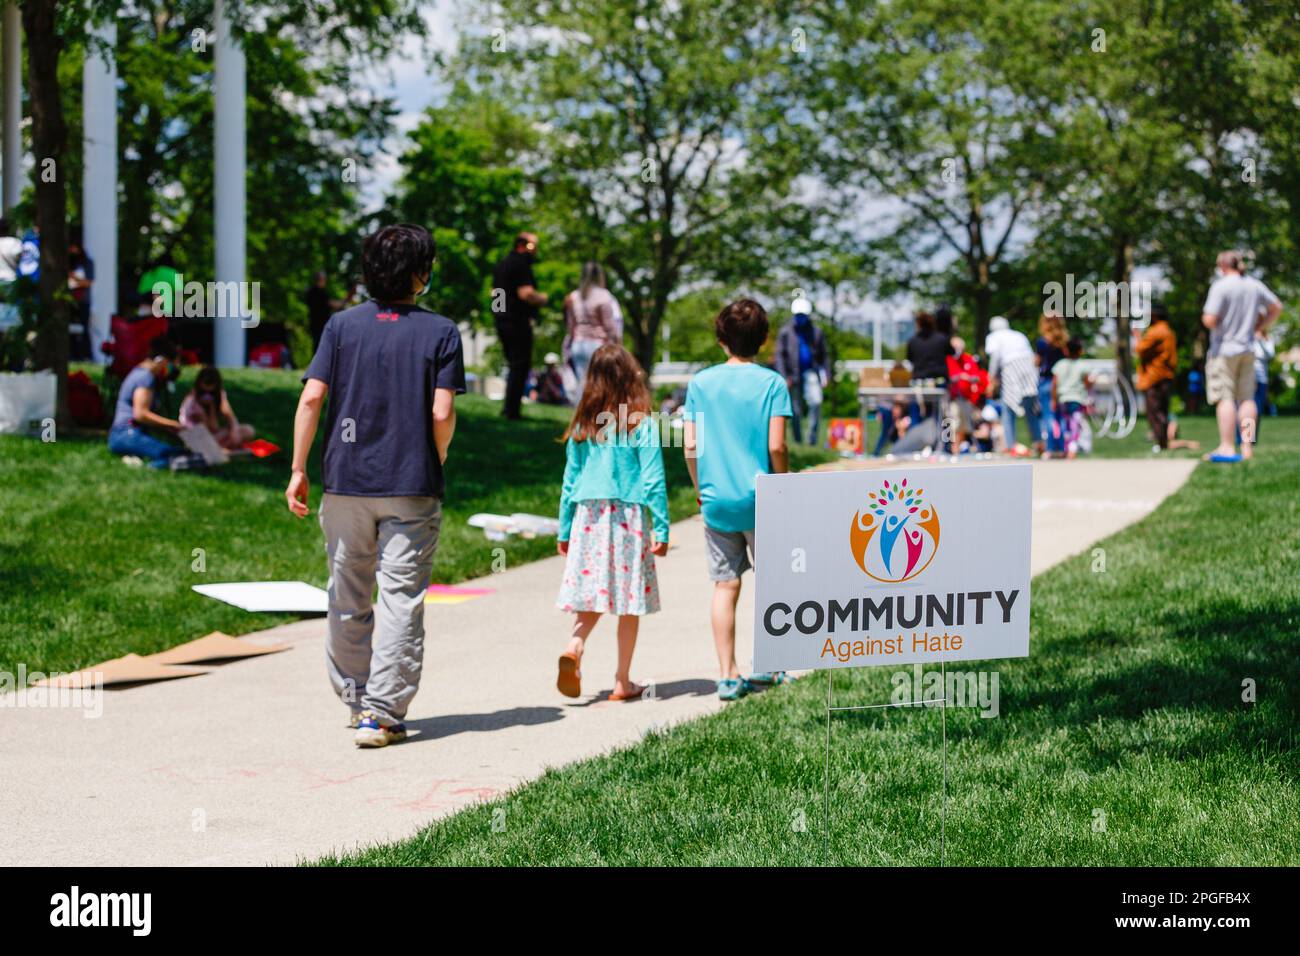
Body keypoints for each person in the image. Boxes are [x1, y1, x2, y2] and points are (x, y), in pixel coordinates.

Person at [286, 223, 465, 748]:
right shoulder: (441, 333)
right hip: (412, 483)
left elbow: (312, 399)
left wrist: (299, 468)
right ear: (420, 274)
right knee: (401, 598)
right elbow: (442, 411)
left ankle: (356, 697)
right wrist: (440, 453)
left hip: (345, 481)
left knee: (347, 593)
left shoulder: (341, 327)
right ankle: (382, 713)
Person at [682, 298, 792, 701]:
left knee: (725, 586)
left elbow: (690, 446)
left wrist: (699, 489)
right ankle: (770, 665)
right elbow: (777, 445)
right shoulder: (772, 384)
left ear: (720, 339)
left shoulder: (699, 384)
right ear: (763, 340)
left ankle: (728, 676)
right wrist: (784, 485)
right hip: (762, 498)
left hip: (716, 500)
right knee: (772, 582)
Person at [554, 344, 669, 702]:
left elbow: (569, 481)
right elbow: (653, 479)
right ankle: (623, 681)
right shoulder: (641, 423)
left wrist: (564, 528)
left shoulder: (583, 426)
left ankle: (575, 643)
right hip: (627, 519)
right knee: (628, 601)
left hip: (588, 515)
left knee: (594, 592)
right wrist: (661, 528)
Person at [1201, 250, 1282, 460]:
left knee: (1225, 398)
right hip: (1248, 349)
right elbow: (1276, 307)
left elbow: (1209, 319)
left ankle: (1227, 446)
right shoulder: (1253, 285)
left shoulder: (1221, 286)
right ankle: (1247, 447)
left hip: (1224, 350)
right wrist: (1259, 327)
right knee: (1247, 400)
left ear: (1222, 266)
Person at [492, 232, 548, 420]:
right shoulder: (520, 264)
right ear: (524, 246)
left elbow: (495, 294)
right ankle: (512, 411)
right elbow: (526, 294)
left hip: (503, 321)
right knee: (520, 365)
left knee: (513, 364)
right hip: (517, 322)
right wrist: (543, 299)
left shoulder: (502, 264)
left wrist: (500, 315)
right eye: (534, 246)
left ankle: (509, 408)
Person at [107, 335, 184, 468]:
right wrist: (174, 425)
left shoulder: (140, 373)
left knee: (176, 452)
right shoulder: (145, 378)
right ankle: (147, 470)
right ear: (162, 361)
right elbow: (140, 414)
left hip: (125, 435)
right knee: (173, 455)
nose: (171, 370)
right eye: (171, 365)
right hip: (127, 434)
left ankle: (134, 460)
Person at [773, 296, 829, 445]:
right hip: (792, 375)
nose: (800, 318)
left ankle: (812, 436)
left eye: (803, 316)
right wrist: (784, 376)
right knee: (795, 410)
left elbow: (824, 356)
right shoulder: (786, 332)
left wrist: (825, 375)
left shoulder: (816, 332)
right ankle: (798, 439)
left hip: (812, 373)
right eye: (798, 316)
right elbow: (779, 356)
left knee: (816, 402)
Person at [984, 316, 1042, 456]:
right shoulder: (1018, 335)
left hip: (1011, 368)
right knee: (1030, 409)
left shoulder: (994, 336)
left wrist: (991, 377)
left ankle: (1010, 446)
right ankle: (1038, 442)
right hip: (1029, 369)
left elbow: (996, 357)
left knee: (1008, 408)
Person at [562, 261, 620, 394]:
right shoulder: (604, 295)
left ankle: (582, 412)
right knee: (600, 384)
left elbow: (571, 326)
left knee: (582, 384)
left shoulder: (573, 296)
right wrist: (618, 344)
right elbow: (609, 326)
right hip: (598, 344)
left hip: (578, 344)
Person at [1135, 301, 1177, 452]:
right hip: (1166, 376)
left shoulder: (1156, 331)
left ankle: (1161, 442)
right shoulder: (1169, 331)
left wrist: (1137, 336)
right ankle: (1163, 442)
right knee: (1163, 411)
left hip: (1154, 377)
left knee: (1154, 412)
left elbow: (1140, 349)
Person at [179, 366, 255, 449]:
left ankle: (218, 448)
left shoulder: (219, 396)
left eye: (211, 393)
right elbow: (211, 427)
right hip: (196, 435)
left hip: (214, 437)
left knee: (248, 430)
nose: (207, 395)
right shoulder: (193, 401)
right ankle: (219, 448)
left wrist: (234, 431)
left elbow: (230, 417)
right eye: (204, 392)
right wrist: (210, 409)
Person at [1051, 337, 1093, 458]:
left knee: (1065, 424)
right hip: (1076, 400)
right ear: (1080, 351)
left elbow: (1054, 384)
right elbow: (1087, 383)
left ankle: (1065, 447)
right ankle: (1072, 449)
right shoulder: (1083, 365)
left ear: (1066, 350)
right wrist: (1092, 382)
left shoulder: (1060, 365)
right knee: (1075, 424)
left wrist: (1053, 399)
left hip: (1062, 399)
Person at [945, 336, 988, 452]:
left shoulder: (968, 359)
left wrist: (967, 377)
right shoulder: (948, 359)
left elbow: (977, 377)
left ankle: (957, 449)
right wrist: (959, 377)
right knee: (951, 423)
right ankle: (951, 449)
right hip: (952, 399)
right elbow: (949, 377)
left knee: (963, 426)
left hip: (966, 398)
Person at [1034, 312, 1068, 455]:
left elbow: (1037, 362)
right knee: (1060, 417)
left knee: (1048, 416)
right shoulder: (1064, 342)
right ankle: (1061, 448)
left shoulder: (1042, 342)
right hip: (1061, 382)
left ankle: (1050, 448)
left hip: (1047, 381)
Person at [68, 227, 95, 361]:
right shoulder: (68, 262)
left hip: (83, 299)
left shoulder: (86, 262)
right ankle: (72, 354)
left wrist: (75, 279)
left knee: (84, 327)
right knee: (70, 328)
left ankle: (86, 354)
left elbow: (89, 282)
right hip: (70, 300)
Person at [304, 271, 341, 350]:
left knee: (318, 346)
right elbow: (330, 304)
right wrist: (342, 303)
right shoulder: (319, 292)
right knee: (321, 346)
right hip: (321, 325)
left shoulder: (311, 292)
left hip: (316, 325)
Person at [1252, 329, 1275, 438]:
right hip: (1248, 377)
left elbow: (1270, 355)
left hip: (1262, 378)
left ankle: (1251, 438)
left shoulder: (1267, 339)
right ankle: (1242, 439)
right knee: (1247, 407)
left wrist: (1260, 341)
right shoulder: (1248, 336)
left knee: (1257, 409)